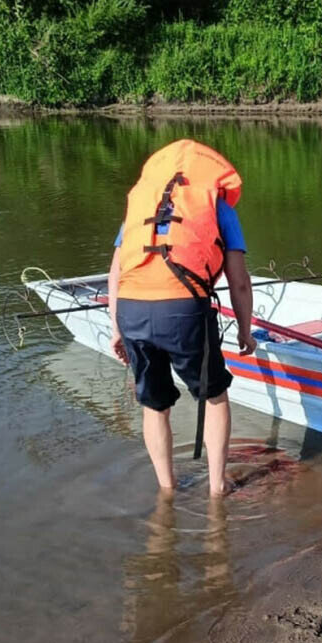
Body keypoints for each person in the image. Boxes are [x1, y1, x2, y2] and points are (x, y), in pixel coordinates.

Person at [107, 139, 257, 495]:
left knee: (154, 405)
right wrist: (245, 332)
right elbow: (239, 282)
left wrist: (116, 328)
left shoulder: (142, 204)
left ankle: (167, 489)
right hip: (183, 309)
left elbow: (116, 272)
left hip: (132, 309)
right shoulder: (219, 207)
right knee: (213, 395)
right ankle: (217, 489)